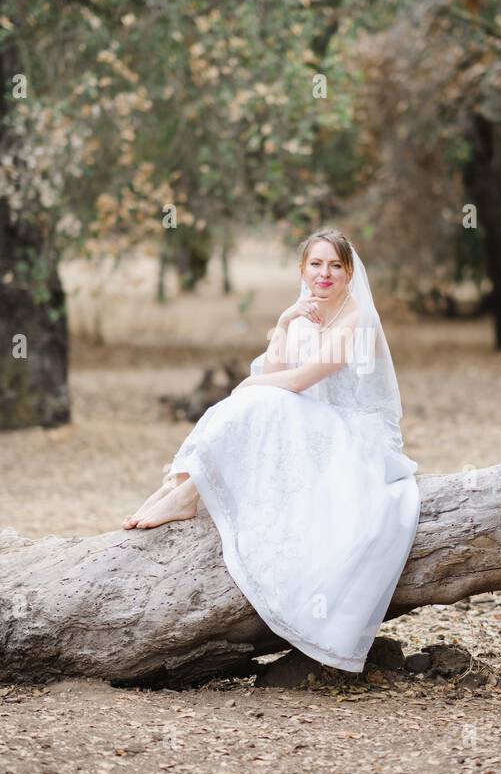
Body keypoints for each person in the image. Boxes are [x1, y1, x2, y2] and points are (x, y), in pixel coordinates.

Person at [122, 228, 421, 674]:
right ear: (302, 270)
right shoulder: (302, 313)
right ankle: (182, 486)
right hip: (315, 419)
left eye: (335, 266)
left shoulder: (356, 318)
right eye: (316, 264)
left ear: (348, 272)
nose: (325, 274)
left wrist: (251, 384)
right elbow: (279, 371)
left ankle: (186, 492)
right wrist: (284, 323)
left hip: (358, 434)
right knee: (258, 402)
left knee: (258, 399)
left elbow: (298, 382)